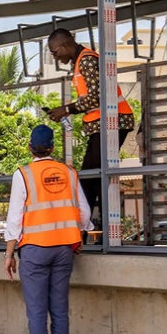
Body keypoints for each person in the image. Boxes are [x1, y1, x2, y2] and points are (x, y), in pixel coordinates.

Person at [3, 124, 93, 334]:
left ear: (30, 148)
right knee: (60, 313)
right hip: (64, 249)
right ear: (53, 147)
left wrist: (9, 253)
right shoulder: (69, 172)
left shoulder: (23, 174)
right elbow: (84, 214)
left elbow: (14, 219)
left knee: (37, 314)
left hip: (34, 250)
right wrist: (78, 233)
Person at [44, 28, 135, 221]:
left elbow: (97, 97)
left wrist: (66, 109)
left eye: (55, 52)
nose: (55, 57)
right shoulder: (80, 61)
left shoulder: (86, 61)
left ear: (65, 44)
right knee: (93, 177)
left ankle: (93, 226)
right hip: (103, 125)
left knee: (91, 177)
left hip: (112, 123)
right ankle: (98, 225)